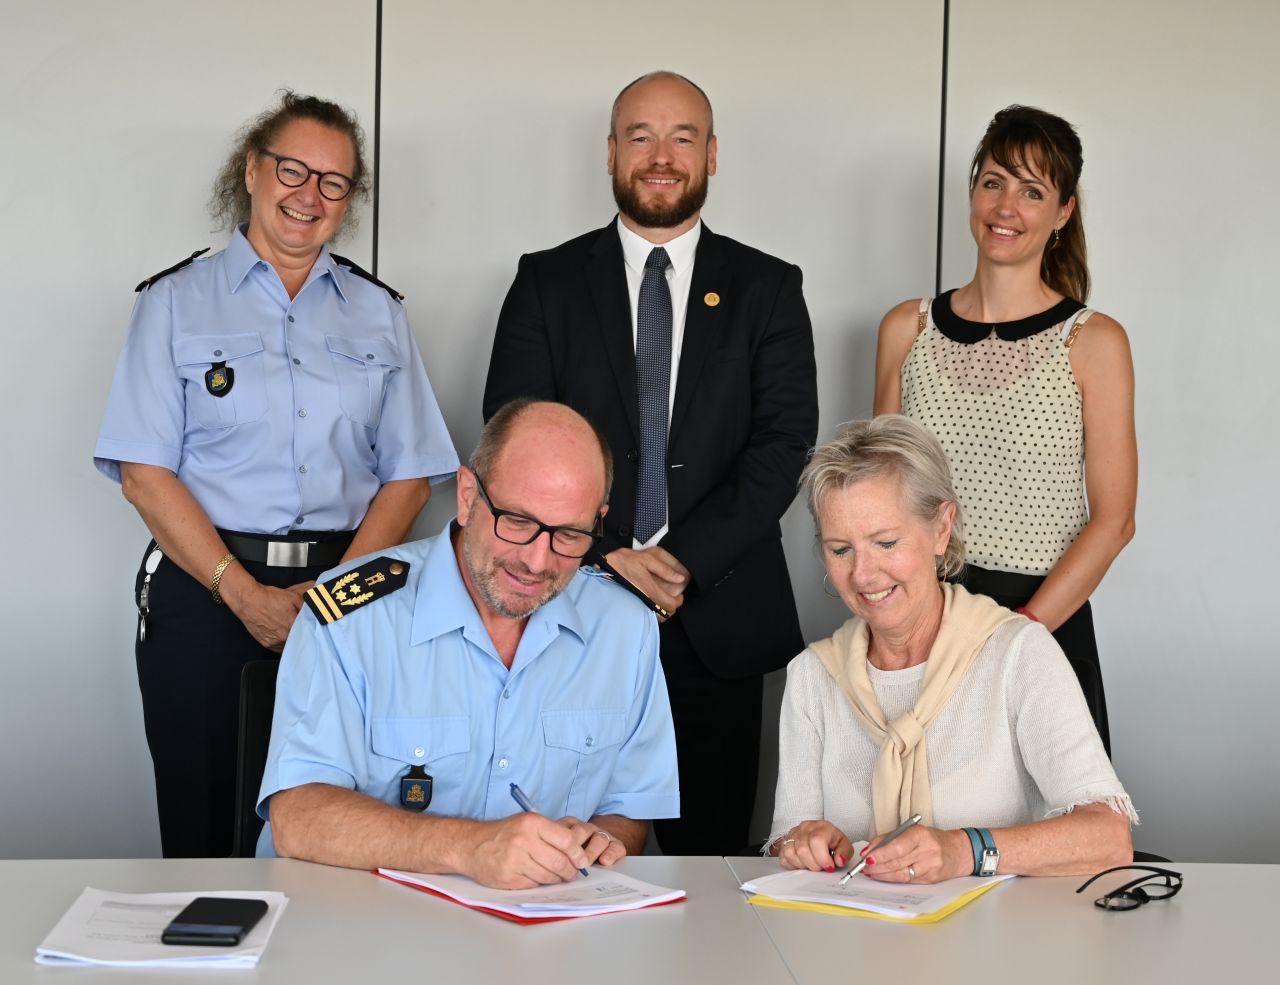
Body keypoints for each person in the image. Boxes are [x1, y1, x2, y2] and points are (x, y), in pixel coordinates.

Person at [94, 91, 458, 858]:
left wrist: (340, 596)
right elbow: (144, 472)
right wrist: (247, 595)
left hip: (349, 590)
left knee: (342, 820)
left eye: (335, 182)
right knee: (203, 824)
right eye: (293, 170)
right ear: (252, 172)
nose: (310, 195)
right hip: (206, 588)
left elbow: (411, 475)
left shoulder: (378, 312)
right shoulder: (173, 304)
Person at [483, 71, 818, 856]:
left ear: (711, 155)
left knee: (712, 864)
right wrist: (611, 559)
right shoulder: (547, 281)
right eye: (640, 136)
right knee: (568, 850)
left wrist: (679, 561)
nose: (661, 156)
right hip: (572, 607)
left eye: (682, 137)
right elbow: (515, 439)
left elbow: (783, 443)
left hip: (718, 617)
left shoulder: (768, 287)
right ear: (609, 153)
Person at [256, 400, 679, 887]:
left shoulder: (626, 628)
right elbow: (297, 816)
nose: (538, 562)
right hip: (364, 932)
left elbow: (628, 813)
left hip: (538, 939)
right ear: (466, 496)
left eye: (569, 534)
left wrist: (596, 839)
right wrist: (472, 847)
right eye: (517, 521)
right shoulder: (351, 617)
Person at [769, 415, 1135, 882]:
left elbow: (1109, 838)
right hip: (851, 942)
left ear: (941, 529)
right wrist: (811, 846)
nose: (862, 575)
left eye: (885, 542)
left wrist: (965, 851)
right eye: (841, 550)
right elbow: (786, 845)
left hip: (1002, 945)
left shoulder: (1019, 653)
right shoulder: (811, 675)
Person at [873, 105, 1136, 754]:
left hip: (1040, 624)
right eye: (993, 181)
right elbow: (878, 496)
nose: (1006, 206)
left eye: (1032, 190)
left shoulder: (1092, 340)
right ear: (972, 191)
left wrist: (1016, 636)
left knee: (1052, 843)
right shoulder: (908, 328)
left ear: (1063, 211)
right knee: (913, 834)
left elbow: (1115, 520)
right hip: (921, 617)